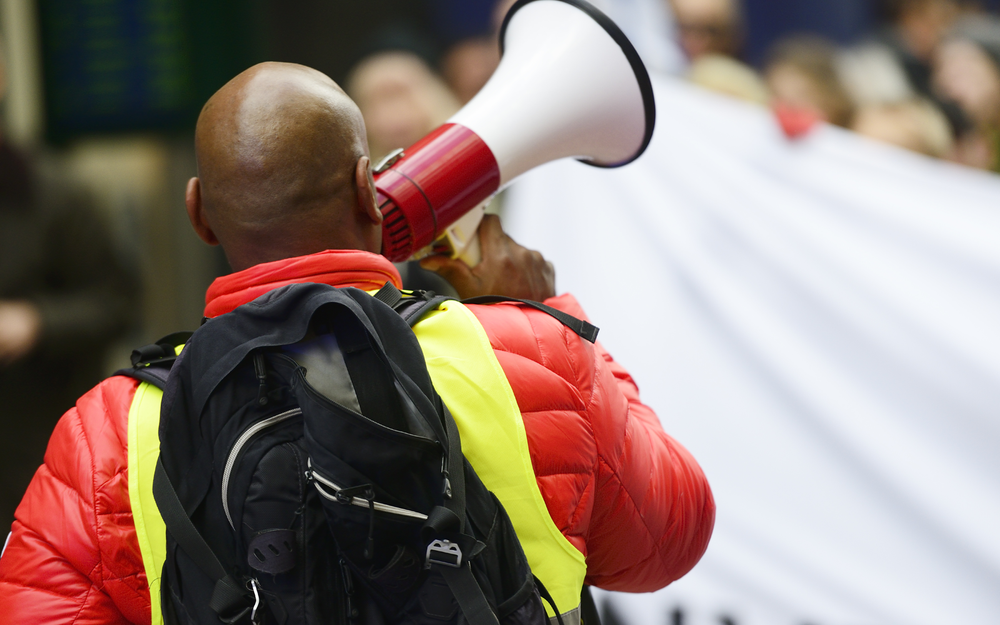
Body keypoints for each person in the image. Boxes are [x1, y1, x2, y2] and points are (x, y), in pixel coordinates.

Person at [0, 62, 715, 623]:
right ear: (367, 190)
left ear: (199, 213)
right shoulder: (526, 352)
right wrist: (548, 315)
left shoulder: (106, 433)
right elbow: (674, 534)